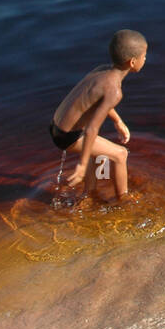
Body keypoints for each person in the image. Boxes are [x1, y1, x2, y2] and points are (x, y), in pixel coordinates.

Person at [48, 29, 148, 201]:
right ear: (132, 62)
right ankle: (123, 202)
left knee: (98, 151)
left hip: (56, 125)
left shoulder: (101, 70)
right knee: (120, 154)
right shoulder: (115, 91)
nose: (145, 59)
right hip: (68, 136)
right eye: (144, 56)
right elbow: (92, 128)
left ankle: (89, 193)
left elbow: (95, 100)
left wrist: (118, 121)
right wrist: (82, 164)